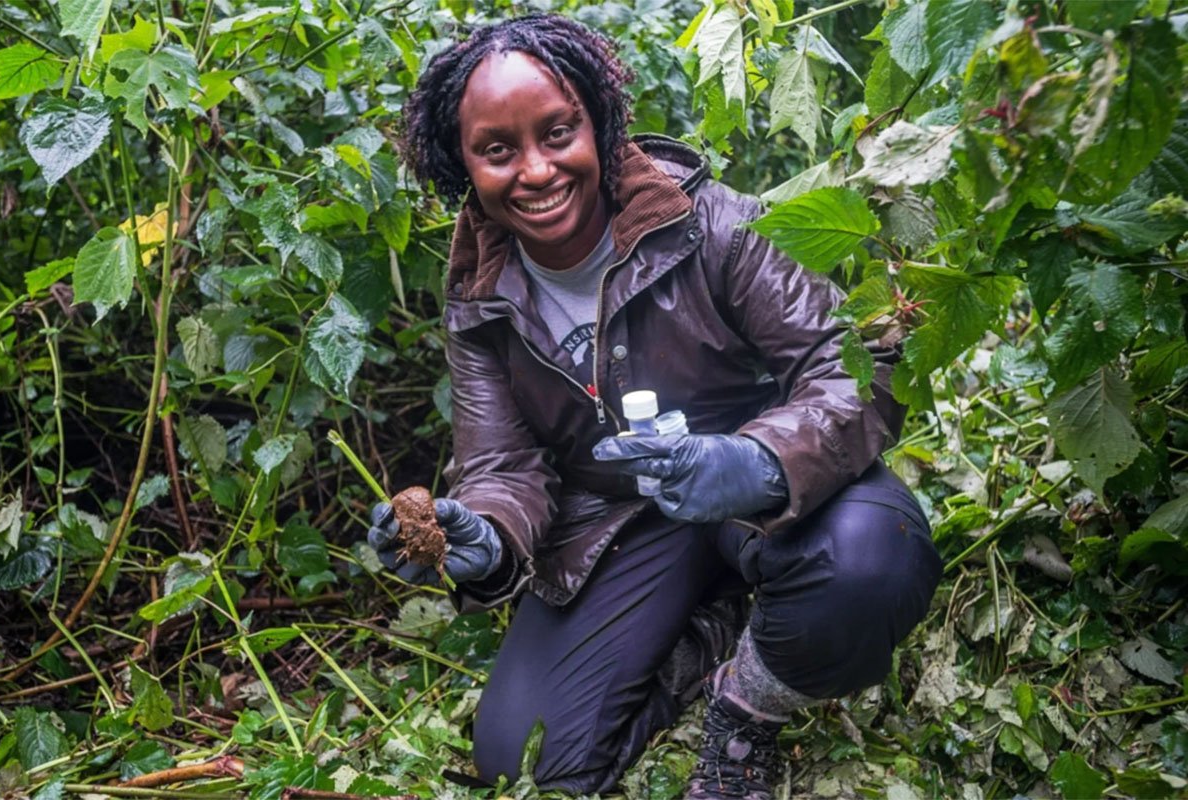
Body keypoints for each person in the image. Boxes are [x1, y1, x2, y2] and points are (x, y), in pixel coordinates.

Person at [365, 13, 943, 799]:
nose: (535, 171)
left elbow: (859, 365)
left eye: (558, 132)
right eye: (498, 151)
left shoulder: (715, 227)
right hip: (624, 527)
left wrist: (758, 462)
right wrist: (487, 536)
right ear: (462, 165)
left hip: (776, 502)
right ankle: (721, 635)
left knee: (873, 562)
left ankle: (748, 709)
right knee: (526, 761)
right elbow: (504, 464)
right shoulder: (478, 296)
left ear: (598, 126)